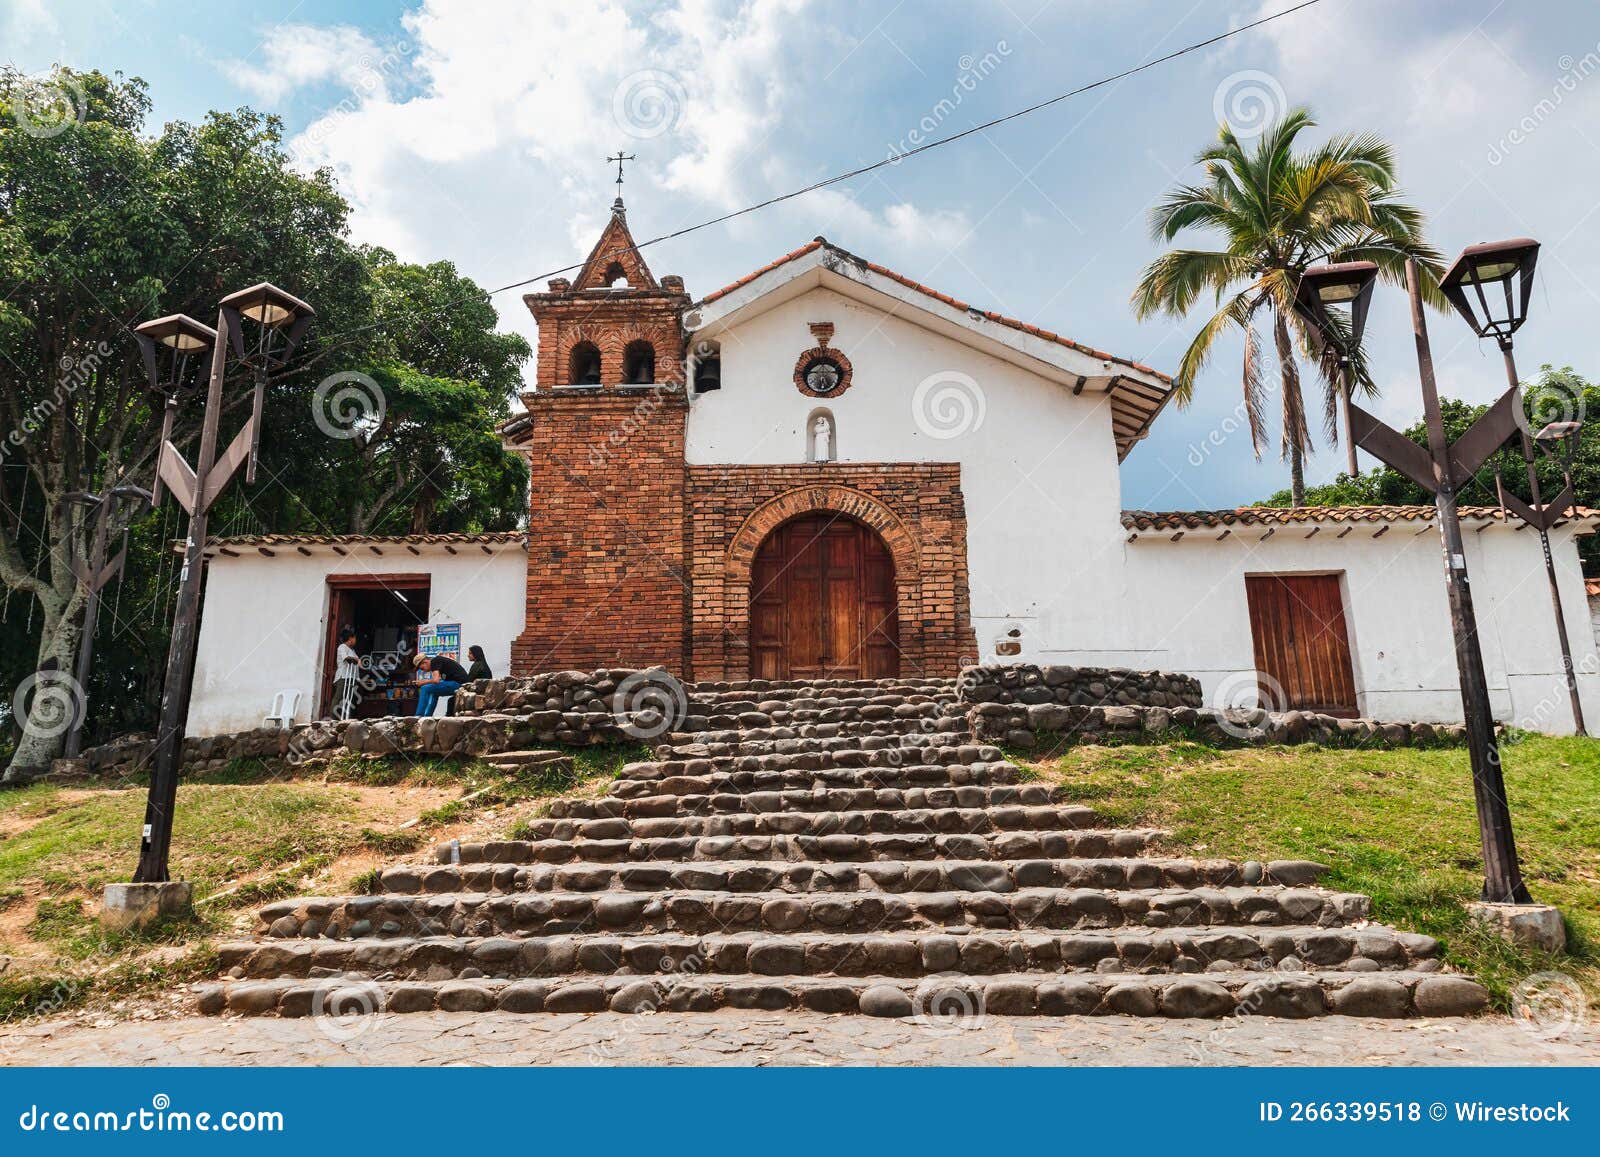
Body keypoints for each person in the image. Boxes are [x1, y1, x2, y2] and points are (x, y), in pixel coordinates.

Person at [413, 652, 469, 717]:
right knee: (434, 692)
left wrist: (422, 682)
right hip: (459, 684)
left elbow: (436, 680)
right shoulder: (438, 662)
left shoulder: (434, 661)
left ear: (425, 662)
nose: (423, 671)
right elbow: (438, 681)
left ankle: (419, 715)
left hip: (459, 684)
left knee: (425, 688)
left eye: (422, 668)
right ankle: (427, 716)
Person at [333, 626, 360, 720]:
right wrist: (356, 659)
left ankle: (347, 718)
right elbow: (346, 658)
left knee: (350, 699)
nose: (355, 640)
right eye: (355, 638)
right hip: (343, 677)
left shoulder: (352, 650)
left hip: (352, 677)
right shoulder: (342, 647)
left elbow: (358, 663)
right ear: (350, 638)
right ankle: (333, 719)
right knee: (339, 697)